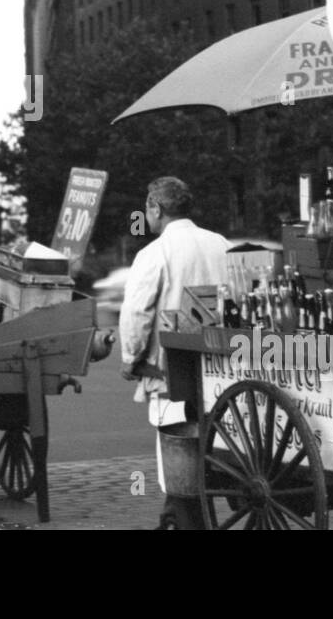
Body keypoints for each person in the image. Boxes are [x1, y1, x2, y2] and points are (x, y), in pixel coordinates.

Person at [119, 176, 230, 530]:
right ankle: (172, 518)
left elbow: (136, 313)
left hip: (172, 374)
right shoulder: (223, 245)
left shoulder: (154, 254)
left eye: (146, 208)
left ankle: (182, 518)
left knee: (177, 457)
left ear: (156, 208)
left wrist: (130, 358)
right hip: (224, 371)